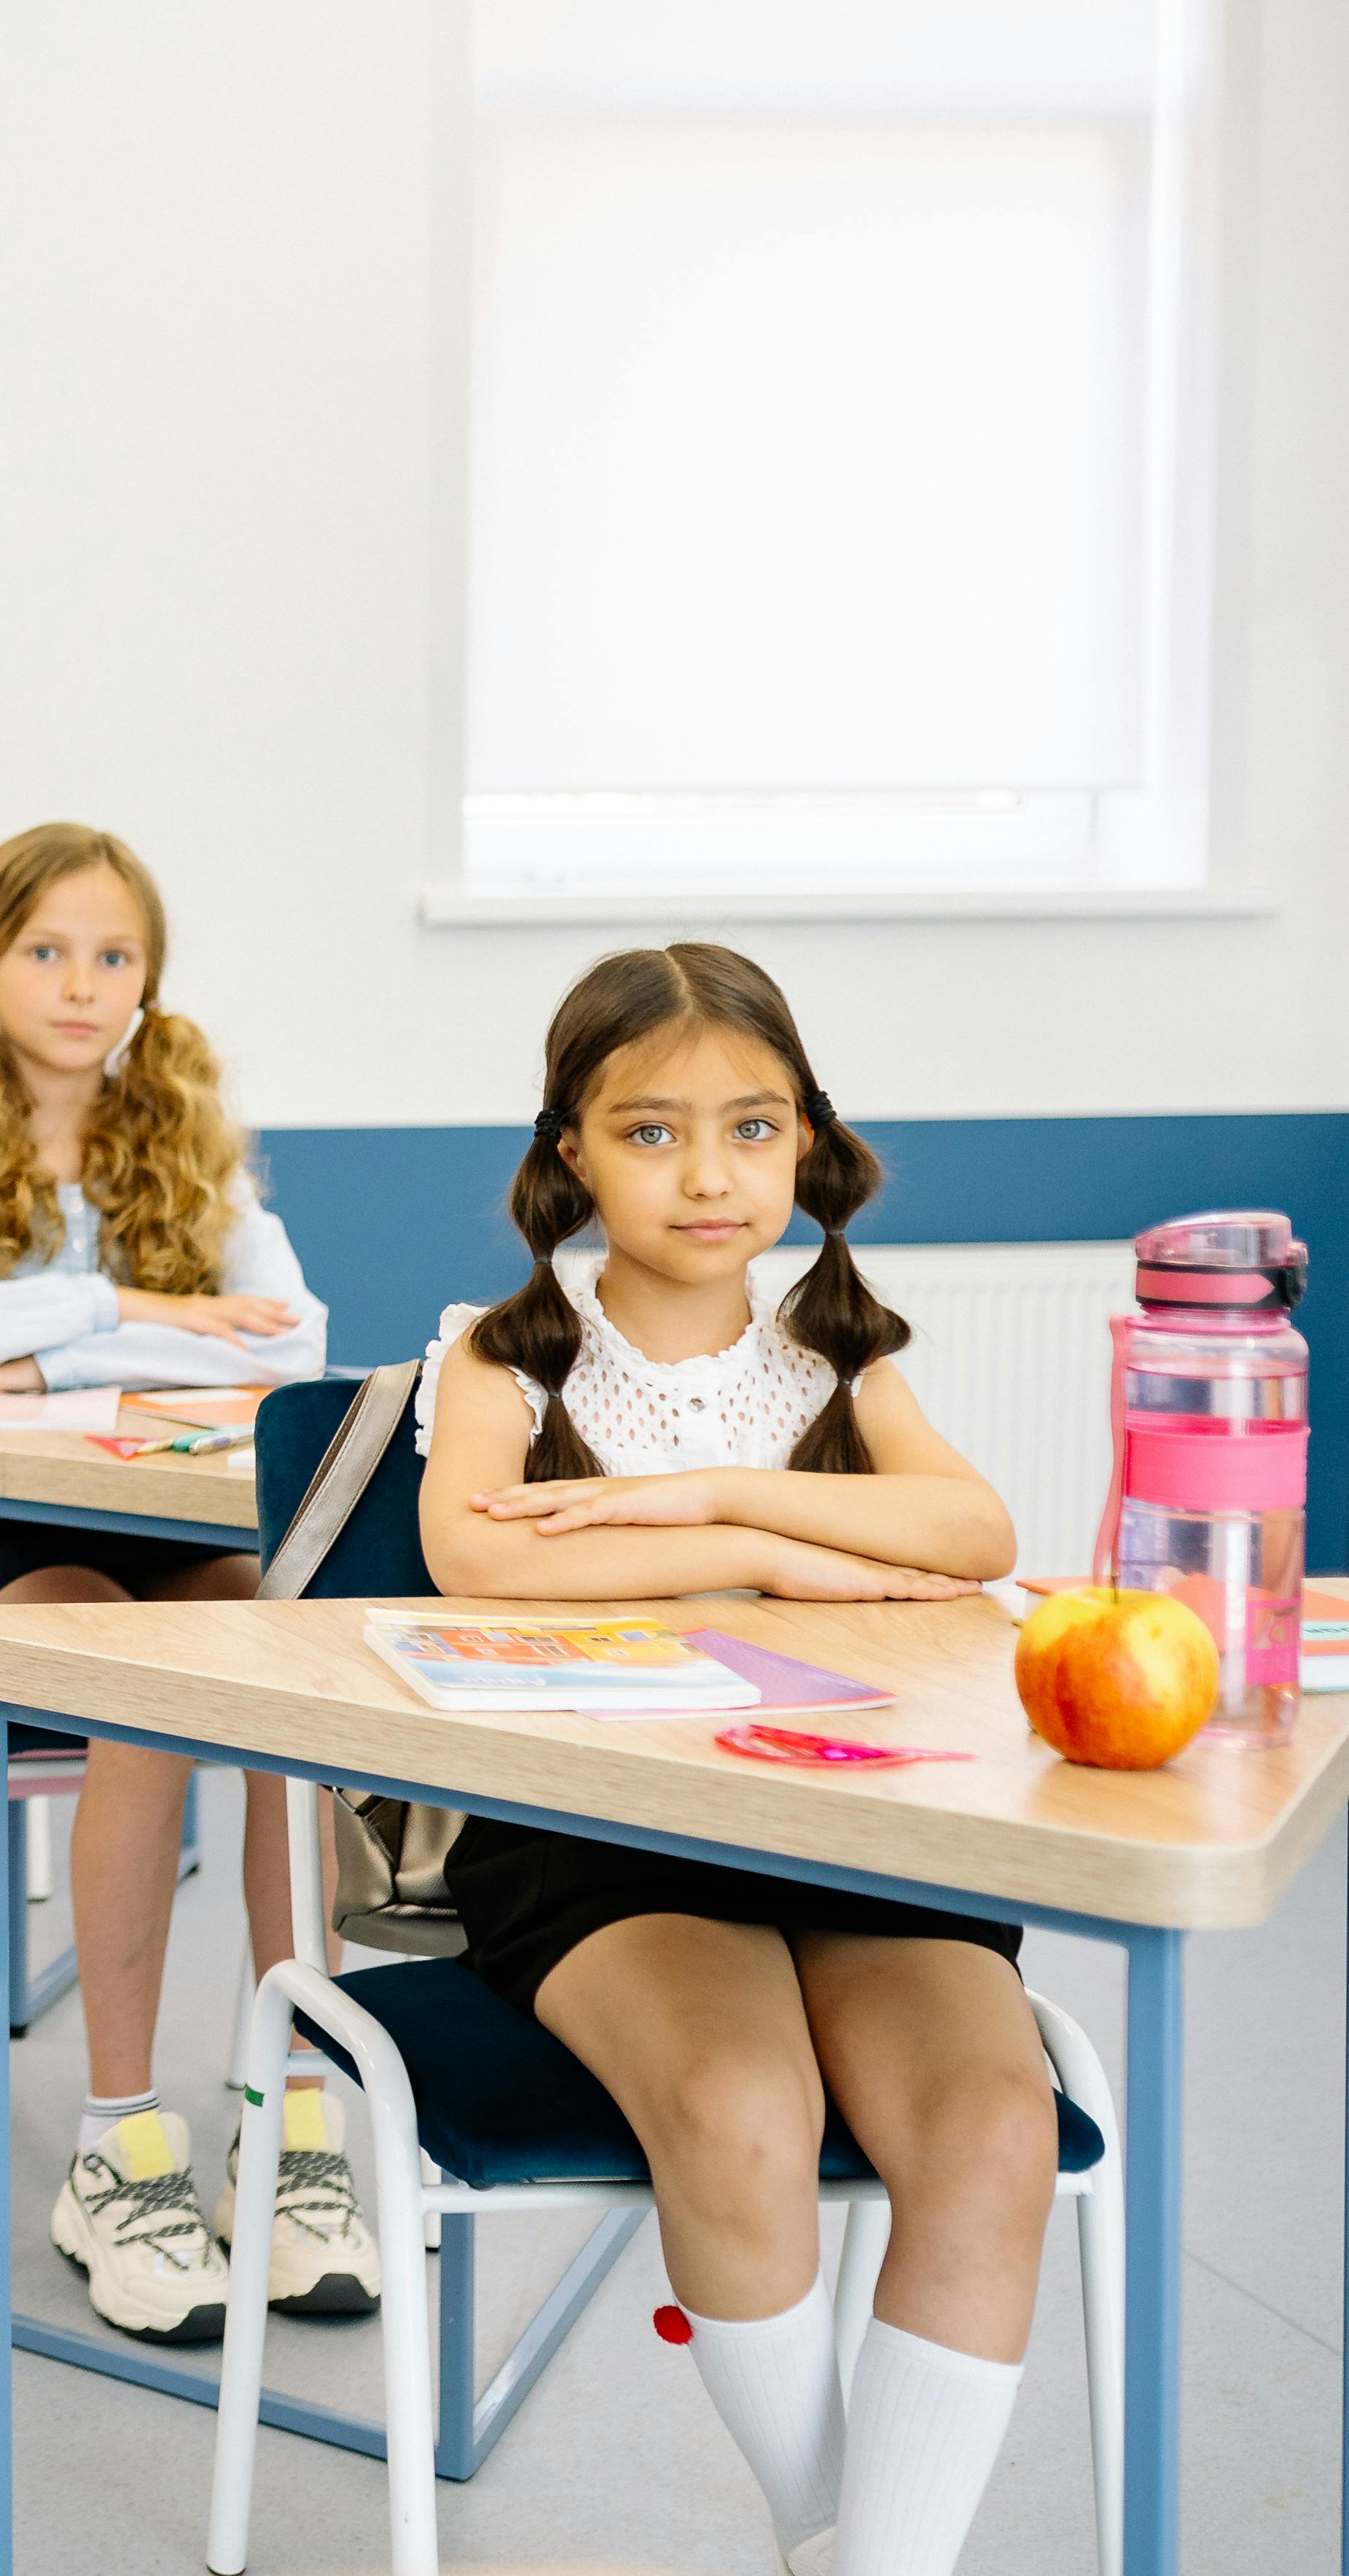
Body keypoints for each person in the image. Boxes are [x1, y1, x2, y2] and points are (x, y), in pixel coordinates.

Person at [419, 944, 1023, 2576]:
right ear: (571, 1153)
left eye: (752, 1129)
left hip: (857, 1823)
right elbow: (481, 1559)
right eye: (651, 1131)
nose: (708, 1175)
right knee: (738, 2102)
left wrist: (715, 1499)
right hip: (595, 1838)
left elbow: (975, 1533)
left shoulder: (837, 1357)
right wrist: (780, 1561)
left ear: (803, 1142)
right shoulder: (504, 1350)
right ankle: (832, 2536)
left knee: (990, 2125)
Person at [0, 821, 359, 2343]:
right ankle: (119, 2148)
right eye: (47, 950)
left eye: (113, 955)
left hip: (163, 1509)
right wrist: (125, 1308)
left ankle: (292, 2117)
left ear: (148, 977)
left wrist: (30, 1353)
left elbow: (292, 1334)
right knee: (141, 1687)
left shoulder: (180, 1117)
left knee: (295, 1663)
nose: (80, 984)